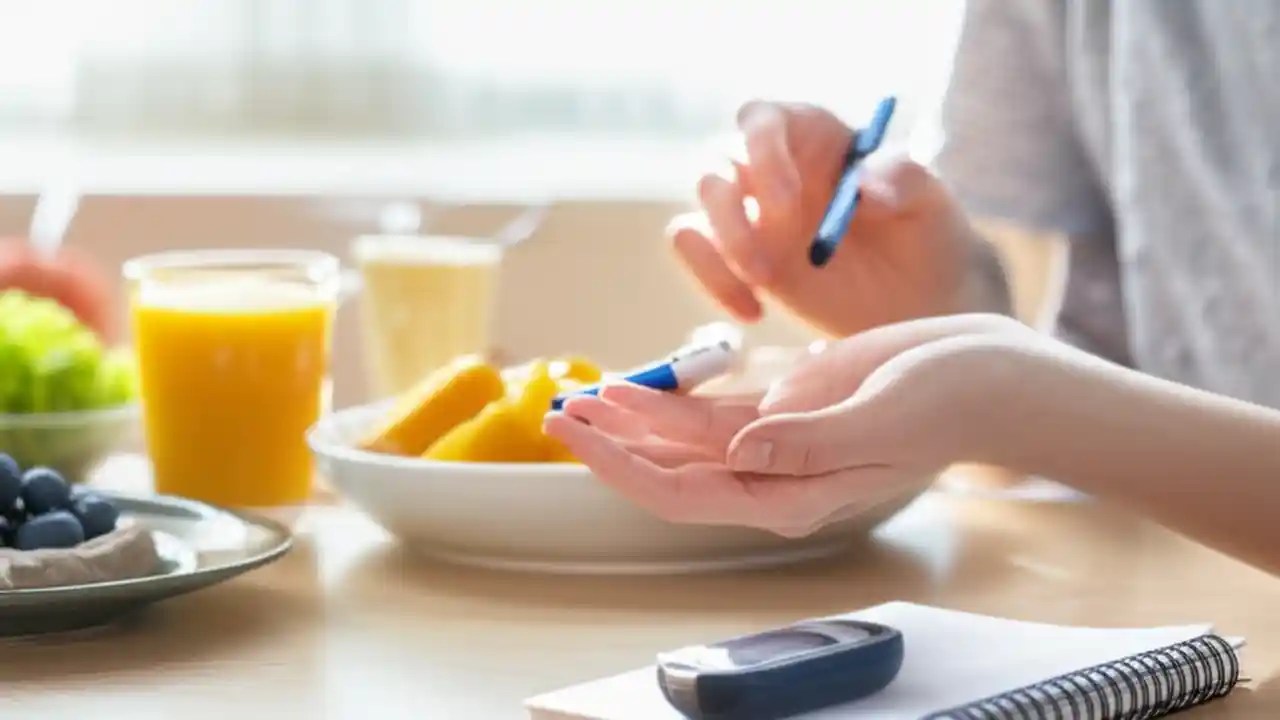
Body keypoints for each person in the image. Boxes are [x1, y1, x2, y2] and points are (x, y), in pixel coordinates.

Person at [543, 1, 1280, 576]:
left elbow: (1069, 415)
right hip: (1173, 609)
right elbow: (1100, 436)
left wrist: (1021, 401)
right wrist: (934, 314)